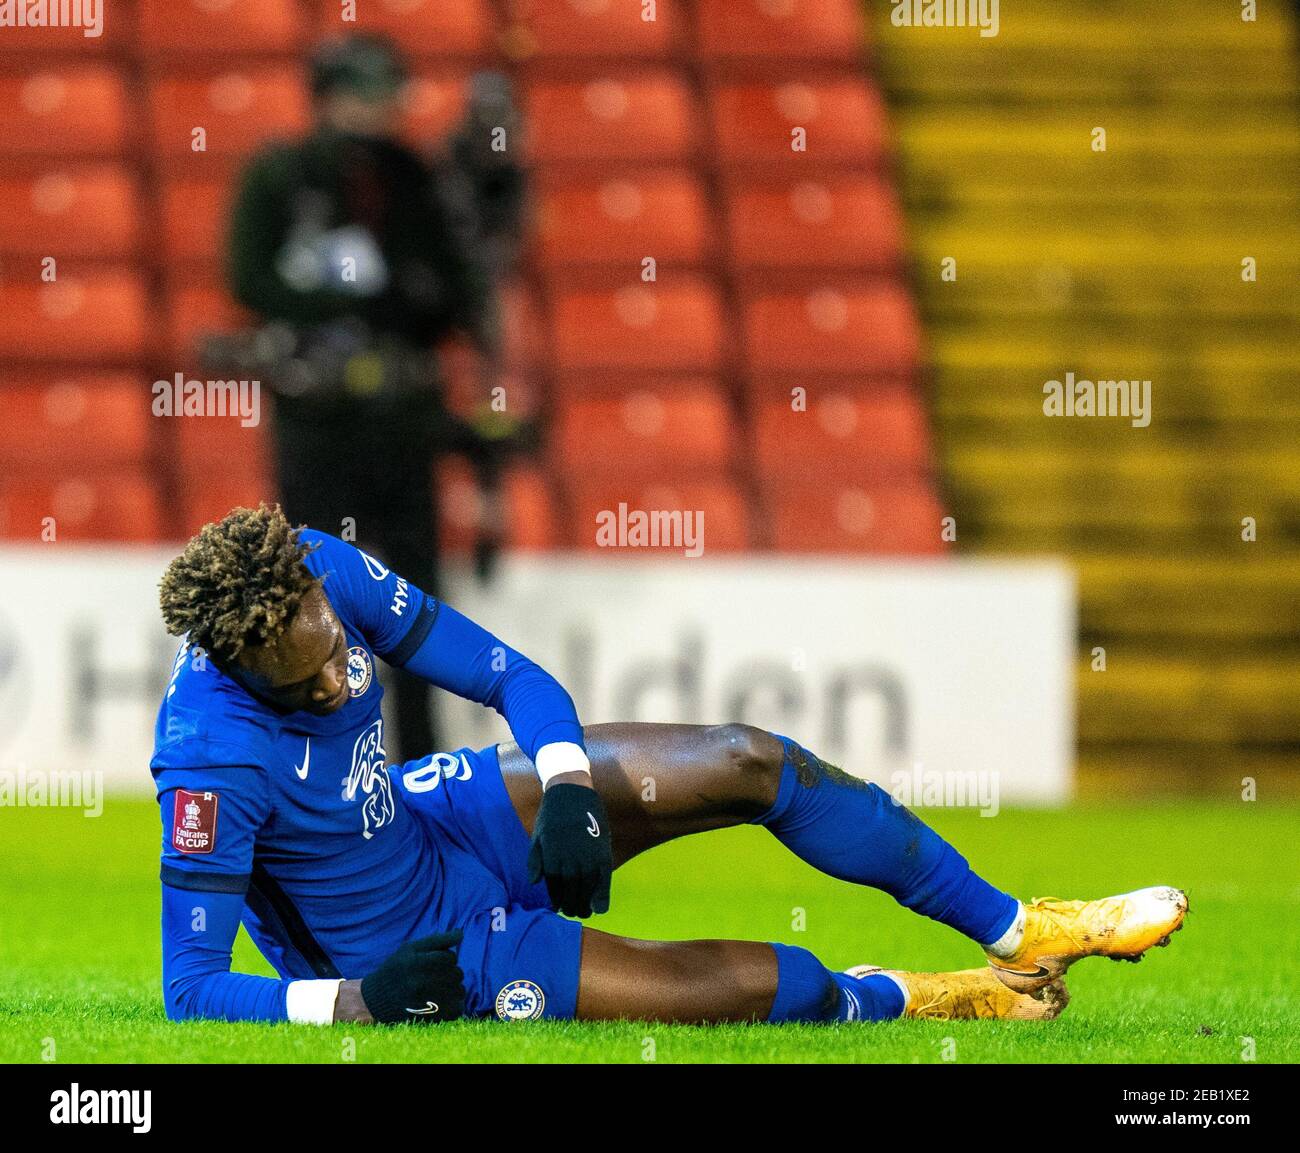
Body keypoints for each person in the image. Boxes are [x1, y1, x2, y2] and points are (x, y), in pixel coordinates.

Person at [151, 505, 1188, 1026]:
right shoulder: (207, 764)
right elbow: (189, 989)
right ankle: (935, 993)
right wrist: (358, 1002)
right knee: (737, 989)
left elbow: (507, 674)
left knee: (747, 758)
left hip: (440, 820)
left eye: (341, 646)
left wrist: (563, 785)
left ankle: (1028, 923)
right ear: (241, 666)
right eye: (312, 680)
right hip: (417, 948)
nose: (342, 673)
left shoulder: (318, 570)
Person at [226, 33, 500, 761]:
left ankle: (419, 771)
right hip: (317, 420)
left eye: (385, 93)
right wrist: (343, 302)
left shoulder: (417, 179)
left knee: (413, 611)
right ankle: (313, 767)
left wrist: (414, 292)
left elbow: (455, 299)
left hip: (402, 423)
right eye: (363, 92)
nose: (377, 108)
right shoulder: (281, 176)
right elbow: (250, 282)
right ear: (328, 95)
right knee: (314, 604)